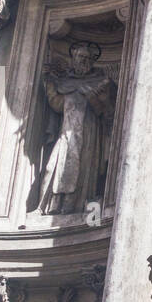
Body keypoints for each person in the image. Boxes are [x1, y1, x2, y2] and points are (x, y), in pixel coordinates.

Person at [38, 42, 115, 214]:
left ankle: (74, 208)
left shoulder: (99, 81)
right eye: (80, 57)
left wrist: (92, 97)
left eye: (87, 58)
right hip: (66, 131)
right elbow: (57, 104)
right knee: (54, 167)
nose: (84, 61)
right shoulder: (64, 82)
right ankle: (52, 205)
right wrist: (50, 85)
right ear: (73, 58)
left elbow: (105, 111)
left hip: (89, 134)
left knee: (83, 169)